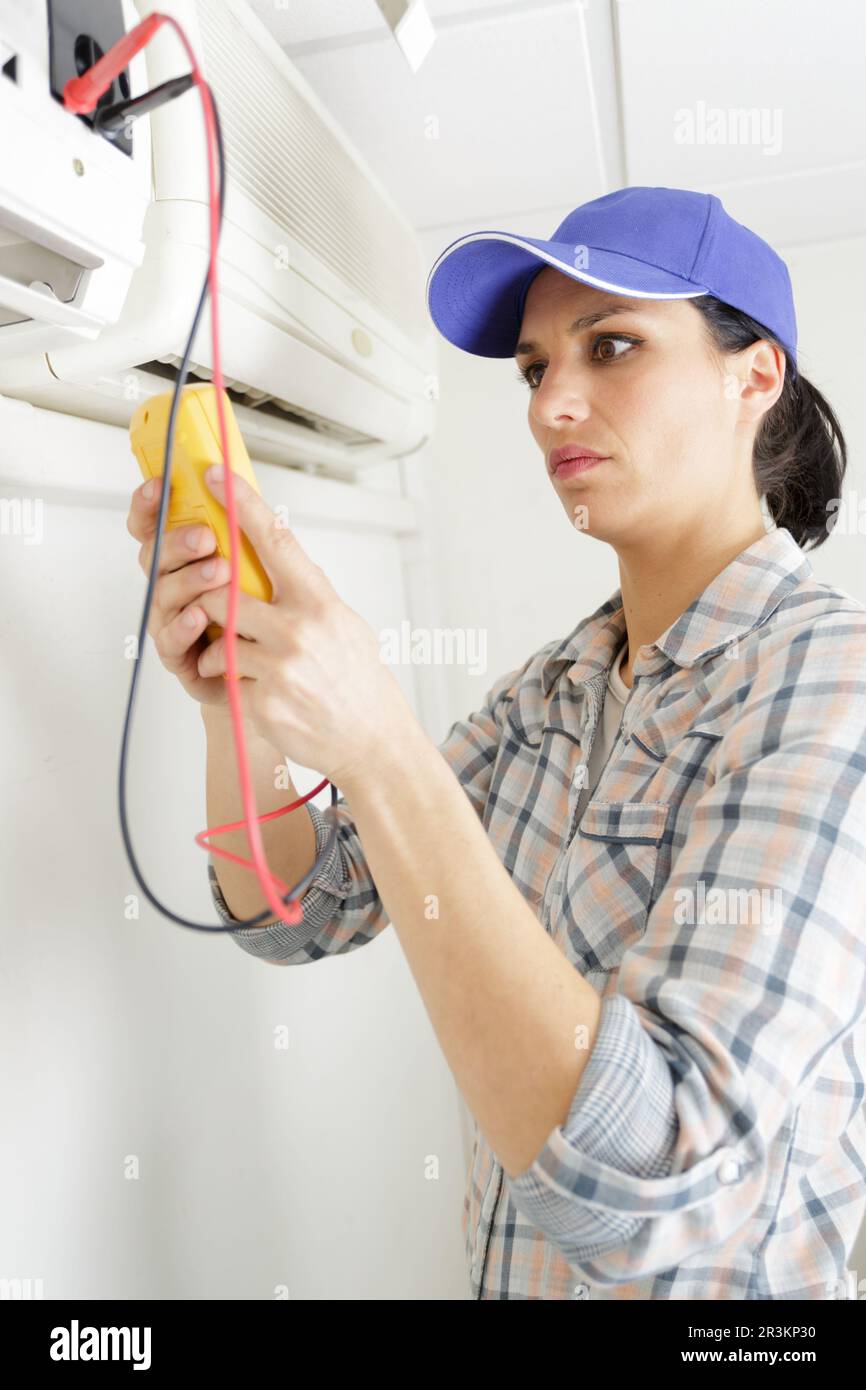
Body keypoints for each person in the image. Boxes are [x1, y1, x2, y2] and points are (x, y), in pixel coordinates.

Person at [127, 186, 866, 1300]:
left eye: (609, 347)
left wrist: (379, 743)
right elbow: (300, 907)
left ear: (751, 374)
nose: (550, 404)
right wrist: (236, 702)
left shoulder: (829, 683)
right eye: (532, 370)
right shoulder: (549, 693)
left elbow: (645, 1184)